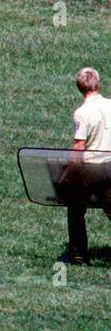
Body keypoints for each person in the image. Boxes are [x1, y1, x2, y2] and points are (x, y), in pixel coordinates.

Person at [61, 67, 111, 265]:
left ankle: (78, 254)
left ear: (79, 88)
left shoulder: (82, 113)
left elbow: (79, 147)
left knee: (75, 208)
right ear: (97, 84)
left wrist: (68, 171)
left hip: (91, 170)